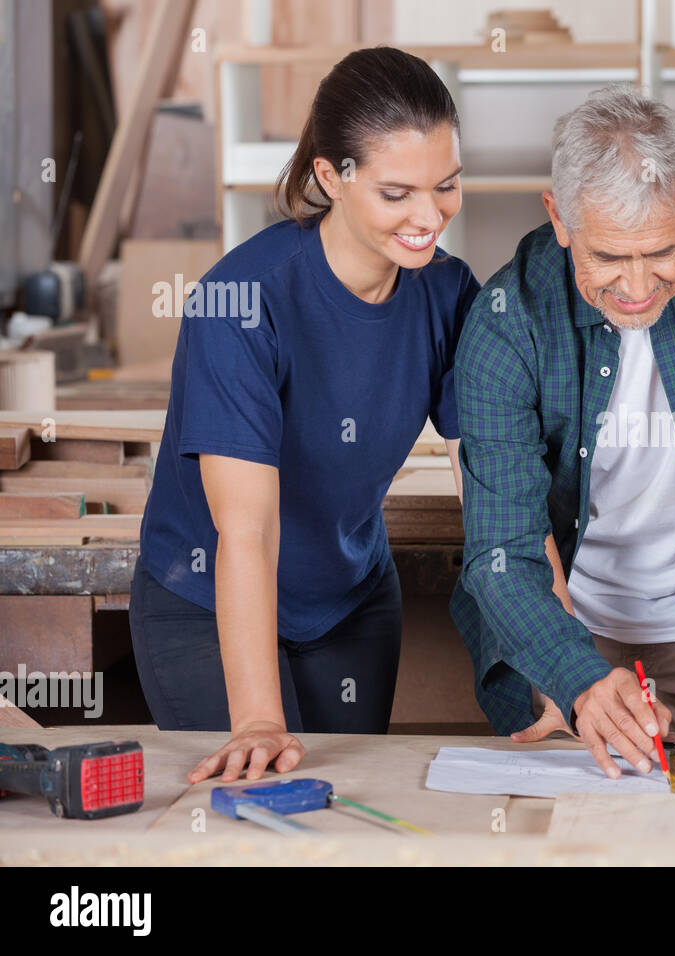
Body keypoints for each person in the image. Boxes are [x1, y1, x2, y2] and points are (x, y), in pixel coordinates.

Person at [450, 85, 675, 778]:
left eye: (661, 252)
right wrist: (572, 674)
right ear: (558, 218)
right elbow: (501, 550)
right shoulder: (506, 316)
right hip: (572, 624)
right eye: (608, 259)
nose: (636, 287)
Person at [129, 47, 479, 784]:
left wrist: (546, 657)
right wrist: (257, 717)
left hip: (349, 601)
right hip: (206, 599)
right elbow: (246, 531)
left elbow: (488, 472)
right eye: (397, 193)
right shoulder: (240, 303)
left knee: (342, 810)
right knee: (256, 808)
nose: (429, 216)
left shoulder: (448, 294)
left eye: (446, 185)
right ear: (331, 176)